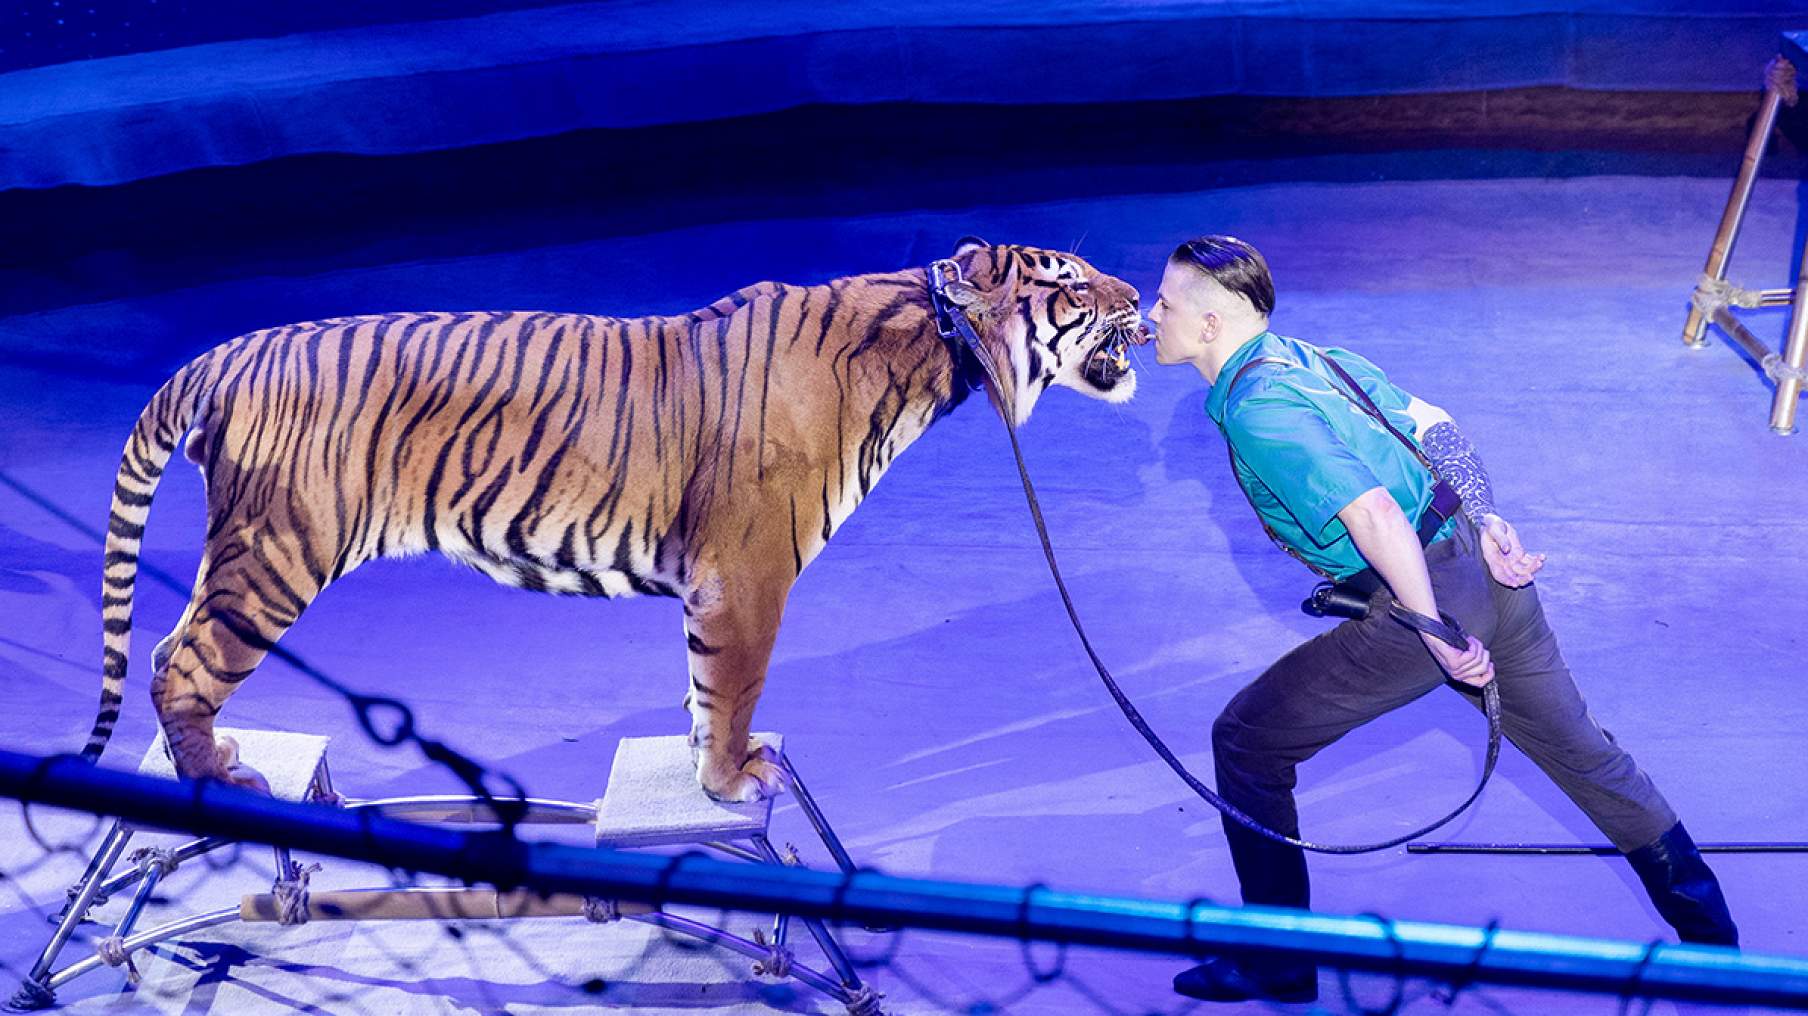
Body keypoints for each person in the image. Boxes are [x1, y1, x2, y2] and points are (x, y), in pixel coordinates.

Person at [1146, 236, 1739, 1004]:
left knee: (1245, 743)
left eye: (1165, 303)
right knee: (1589, 759)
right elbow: (1434, 424)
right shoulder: (1306, 356)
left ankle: (1280, 961)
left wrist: (1433, 632)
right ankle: (1719, 954)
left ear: (1210, 327)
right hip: (1487, 574)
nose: (1149, 312)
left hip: (1425, 595)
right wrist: (1488, 516)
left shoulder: (1259, 405)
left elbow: (1373, 513)